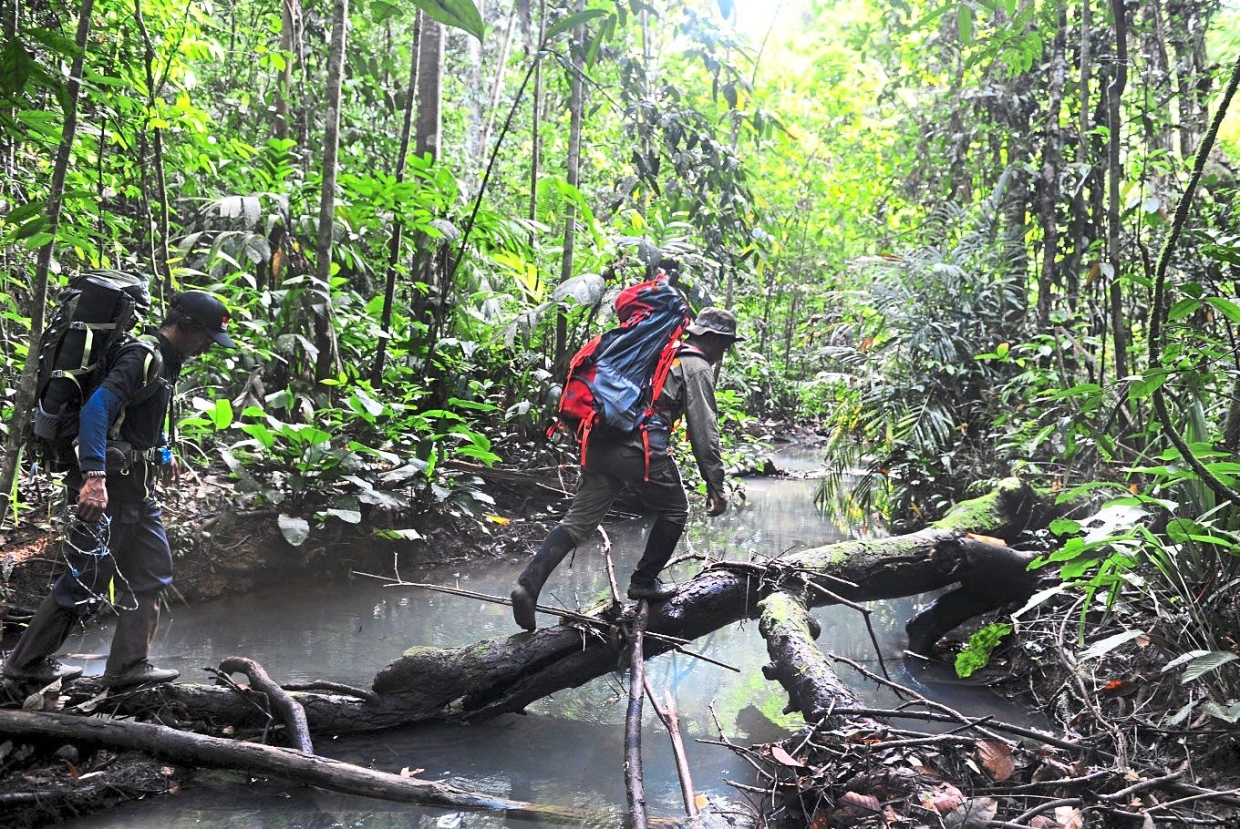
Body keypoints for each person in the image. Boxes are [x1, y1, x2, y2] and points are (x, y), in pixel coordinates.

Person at [4, 290, 236, 687]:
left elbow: (138, 418)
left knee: (152, 574)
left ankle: (127, 668)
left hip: (139, 496)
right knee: (84, 580)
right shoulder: (142, 355)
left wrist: (162, 450)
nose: (204, 347)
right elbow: (98, 408)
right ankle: (25, 665)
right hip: (110, 494)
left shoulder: (166, 361)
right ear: (186, 326)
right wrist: (94, 477)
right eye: (204, 337)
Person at [511, 305, 744, 632]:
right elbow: (704, 432)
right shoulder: (695, 365)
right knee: (676, 510)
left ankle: (528, 584)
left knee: (578, 522)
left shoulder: (655, 351)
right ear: (712, 338)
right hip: (637, 449)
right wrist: (716, 486)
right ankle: (644, 581)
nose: (725, 351)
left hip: (598, 445)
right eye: (726, 344)